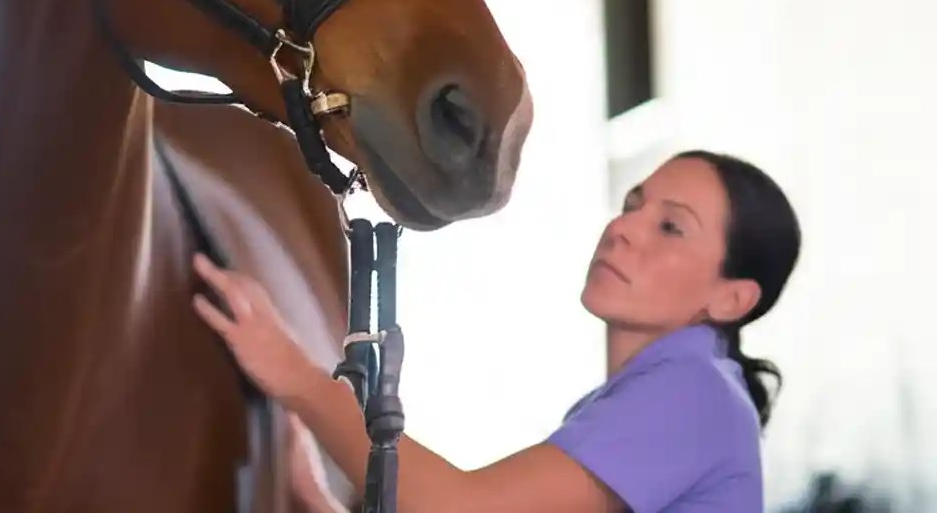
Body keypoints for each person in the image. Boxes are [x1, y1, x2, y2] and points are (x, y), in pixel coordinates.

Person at [191, 150, 802, 512]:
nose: (624, 228)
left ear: (732, 297)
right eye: (632, 204)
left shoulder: (694, 393)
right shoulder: (642, 401)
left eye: (671, 228)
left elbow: (464, 510)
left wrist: (298, 377)